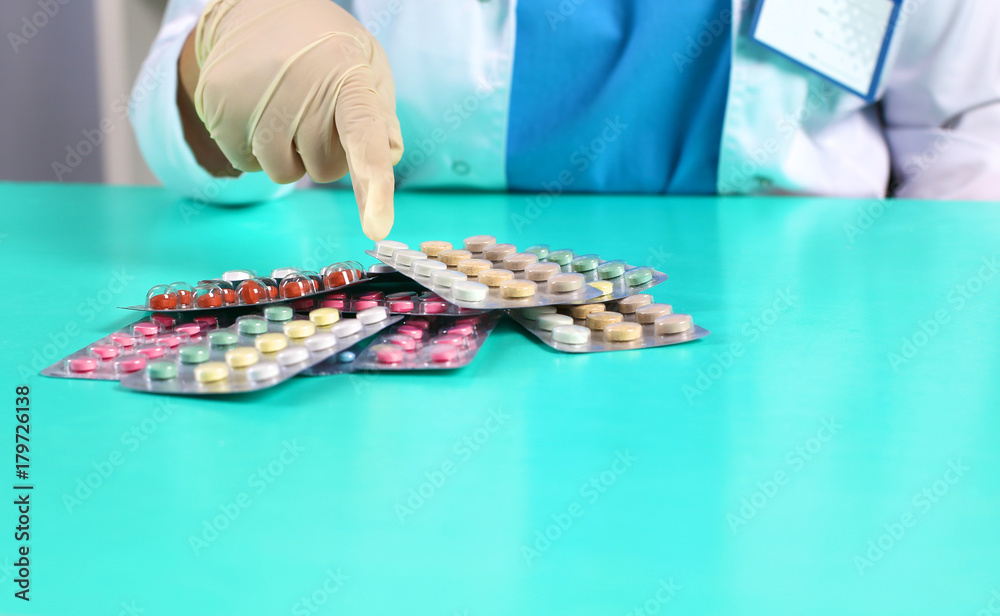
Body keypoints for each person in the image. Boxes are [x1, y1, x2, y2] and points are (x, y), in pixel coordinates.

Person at [130, 0, 1000, 240]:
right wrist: (226, 59)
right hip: (408, 331)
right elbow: (185, 99)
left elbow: (973, 125)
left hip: (809, 345)